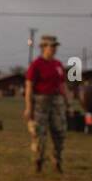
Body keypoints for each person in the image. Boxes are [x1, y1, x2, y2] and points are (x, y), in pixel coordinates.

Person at [24, 34, 68, 173]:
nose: (54, 49)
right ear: (43, 47)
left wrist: (68, 102)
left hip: (57, 102)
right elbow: (29, 87)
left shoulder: (58, 64)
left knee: (59, 132)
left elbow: (62, 84)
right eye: (51, 46)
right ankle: (38, 162)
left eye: (55, 46)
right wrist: (28, 107)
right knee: (39, 134)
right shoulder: (36, 65)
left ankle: (57, 161)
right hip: (41, 102)